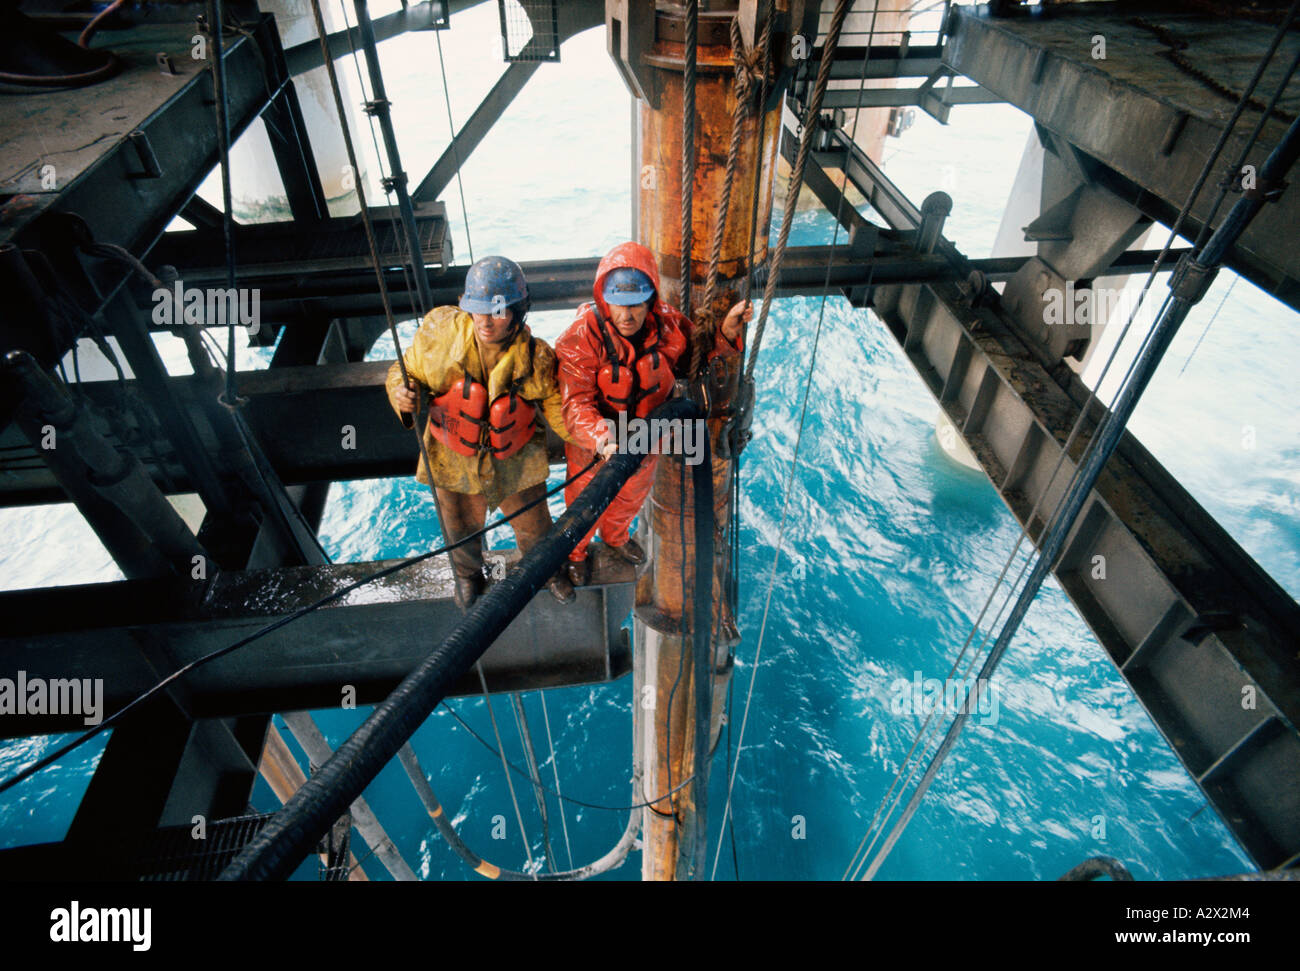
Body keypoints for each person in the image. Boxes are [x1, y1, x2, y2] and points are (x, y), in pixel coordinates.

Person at [555, 241, 751, 585]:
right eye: (617, 304)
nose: (626, 315)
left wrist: (726, 334)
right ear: (604, 298)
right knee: (583, 506)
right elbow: (575, 402)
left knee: (630, 499)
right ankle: (575, 554)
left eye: (635, 304)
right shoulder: (581, 335)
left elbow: (698, 358)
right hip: (594, 447)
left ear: (650, 300)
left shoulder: (671, 327)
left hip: (646, 440)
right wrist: (603, 439)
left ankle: (615, 538)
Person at [386, 255, 576, 609]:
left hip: (515, 460)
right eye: (478, 310)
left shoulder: (537, 358)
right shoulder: (439, 339)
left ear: (518, 312)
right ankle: (467, 575)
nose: (486, 322)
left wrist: (592, 438)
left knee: (535, 527)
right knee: (458, 527)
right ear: (465, 306)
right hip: (453, 457)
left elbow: (558, 407)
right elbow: (404, 370)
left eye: (498, 312)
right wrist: (403, 394)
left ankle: (548, 572)